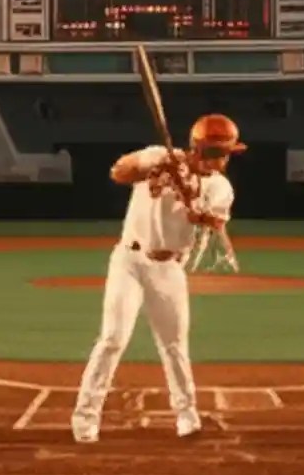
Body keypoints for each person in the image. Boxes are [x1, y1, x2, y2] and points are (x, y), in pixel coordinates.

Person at [71, 114, 245, 444]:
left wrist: (192, 199)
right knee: (112, 339)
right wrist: (157, 167)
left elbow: (211, 220)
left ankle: (186, 414)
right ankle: (85, 417)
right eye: (222, 153)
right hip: (129, 261)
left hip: (168, 269)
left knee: (175, 345)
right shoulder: (159, 156)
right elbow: (118, 172)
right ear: (204, 150)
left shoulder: (220, 186)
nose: (225, 161)